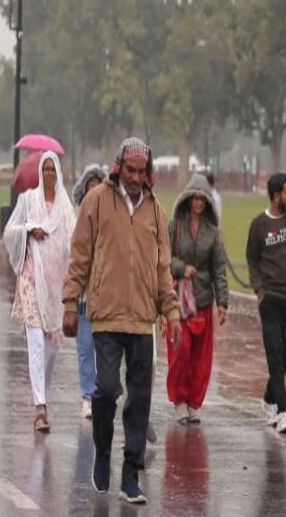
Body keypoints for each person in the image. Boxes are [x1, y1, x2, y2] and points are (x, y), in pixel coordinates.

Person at [62, 137, 180, 507]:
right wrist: (69, 302)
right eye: (130, 170)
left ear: (148, 174)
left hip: (143, 317)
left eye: (142, 172)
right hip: (106, 315)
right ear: (118, 168)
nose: (135, 177)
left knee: (140, 400)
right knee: (108, 389)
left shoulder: (156, 211)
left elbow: (163, 267)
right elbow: (80, 254)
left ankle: (130, 475)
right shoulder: (96, 201)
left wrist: (171, 311)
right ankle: (102, 451)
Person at [4, 151, 77, 433]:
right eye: (45, 169)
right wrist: (29, 229)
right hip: (32, 279)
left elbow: (74, 244)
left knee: (51, 348)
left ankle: (41, 394)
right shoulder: (28, 200)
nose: (49, 174)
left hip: (56, 284)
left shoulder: (65, 207)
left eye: (52, 169)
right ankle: (39, 408)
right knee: (34, 341)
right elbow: (11, 230)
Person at [166, 172, 229, 424]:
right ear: (187, 199)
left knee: (200, 358)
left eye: (203, 199)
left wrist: (222, 302)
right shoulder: (174, 227)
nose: (198, 203)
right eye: (194, 198)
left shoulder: (212, 233)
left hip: (203, 300)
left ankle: (193, 402)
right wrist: (182, 268)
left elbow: (219, 269)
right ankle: (179, 401)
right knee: (180, 353)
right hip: (179, 301)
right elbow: (163, 259)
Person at [246, 172, 286, 435]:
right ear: (276, 195)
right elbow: (252, 259)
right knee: (274, 355)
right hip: (270, 301)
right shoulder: (259, 225)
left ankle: (269, 398)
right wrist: (259, 291)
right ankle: (283, 412)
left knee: (284, 359)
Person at [71, 165, 107, 420]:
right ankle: (87, 396)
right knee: (85, 349)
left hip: (106, 299)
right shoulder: (75, 220)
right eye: (89, 188)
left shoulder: (111, 222)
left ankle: (102, 394)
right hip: (83, 298)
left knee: (106, 351)